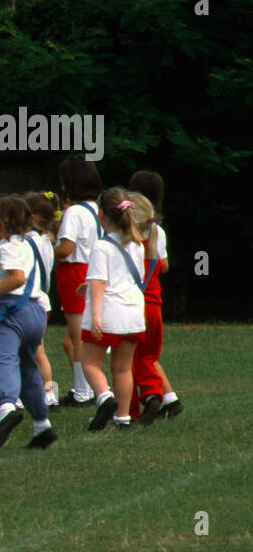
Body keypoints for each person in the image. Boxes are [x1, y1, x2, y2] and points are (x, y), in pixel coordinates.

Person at [0, 195, 57, 450]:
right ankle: (42, 424)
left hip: (13, 312)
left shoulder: (6, 246)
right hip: (35, 312)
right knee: (27, 368)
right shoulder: (27, 244)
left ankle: (7, 406)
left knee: (2, 359)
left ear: (0, 223)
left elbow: (17, 278)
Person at [81, 187, 147, 431]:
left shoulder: (101, 246)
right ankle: (123, 418)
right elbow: (128, 277)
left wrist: (96, 316)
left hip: (108, 312)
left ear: (101, 215)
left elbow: (100, 282)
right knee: (122, 368)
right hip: (132, 314)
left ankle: (104, 398)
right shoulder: (137, 244)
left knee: (89, 363)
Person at [126, 170, 181, 422]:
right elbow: (165, 265)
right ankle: (159, 396)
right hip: (155, 301)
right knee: (149, 356)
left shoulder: (128, 235)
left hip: (135, 302)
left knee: (129, 358)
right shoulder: (158, 231)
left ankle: (143, 401)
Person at [53, 156, 104, 406]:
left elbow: (65, 248)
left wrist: (44, 248)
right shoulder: (97, 209)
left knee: (77, 336)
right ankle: (83, 387)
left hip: (74, 273)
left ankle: (84, 392)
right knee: (70, 340)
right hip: (92, 269)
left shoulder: (73, 212)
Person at [22, 191, 61, 408]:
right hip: (43, 302)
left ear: (33, 217)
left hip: (30, 301)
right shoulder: (47, 241)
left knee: (25, 352)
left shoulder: (28, 241)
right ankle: (50, 394)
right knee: (39, 352)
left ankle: (20, 396)